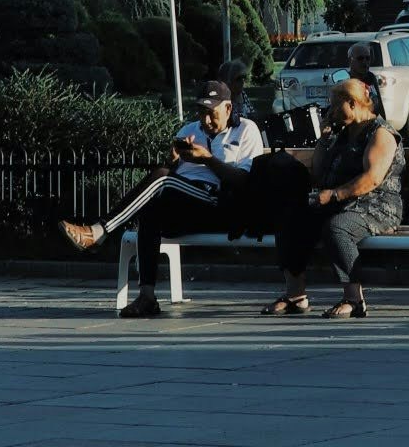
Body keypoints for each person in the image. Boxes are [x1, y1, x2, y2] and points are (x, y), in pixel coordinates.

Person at [63, 77, 266, 314]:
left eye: (212, 113)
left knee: (162, 177)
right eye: (201, 112)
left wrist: (207, 160)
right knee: (152, 211)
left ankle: (99, 231)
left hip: (219, 203)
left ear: (228, 108)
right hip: (184, 204)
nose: (206, 119)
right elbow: (169, 175)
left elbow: (243, 181)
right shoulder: (189, 130)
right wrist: (173, 162)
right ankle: (147, 297)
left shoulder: (246, 130)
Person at [265, 77, 403, 320]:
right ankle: (295, 295)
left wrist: (335, 194)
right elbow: (318, 174)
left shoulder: (380, 133)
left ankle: (354, 299)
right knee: (290, 217)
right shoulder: (342, 134)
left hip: (378, 207)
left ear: (352, 103)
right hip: (341, 203)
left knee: (337, 227)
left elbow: (372, 178)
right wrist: (324, 140)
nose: (330, 111)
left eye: (334, 105)